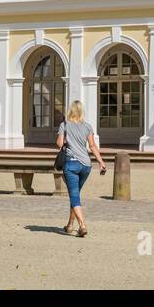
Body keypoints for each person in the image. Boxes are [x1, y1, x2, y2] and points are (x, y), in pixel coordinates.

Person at [56, 101, 106, 236]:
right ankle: (70, 225)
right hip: (86, 165)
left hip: (71, 164)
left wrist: (66, 140)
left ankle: (82, 225)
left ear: (70, 111)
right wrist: (101, 162)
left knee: (74, 195)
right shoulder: (87, 127)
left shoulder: (64, 125)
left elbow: (59, 143)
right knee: (75, 195)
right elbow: (92, 146)